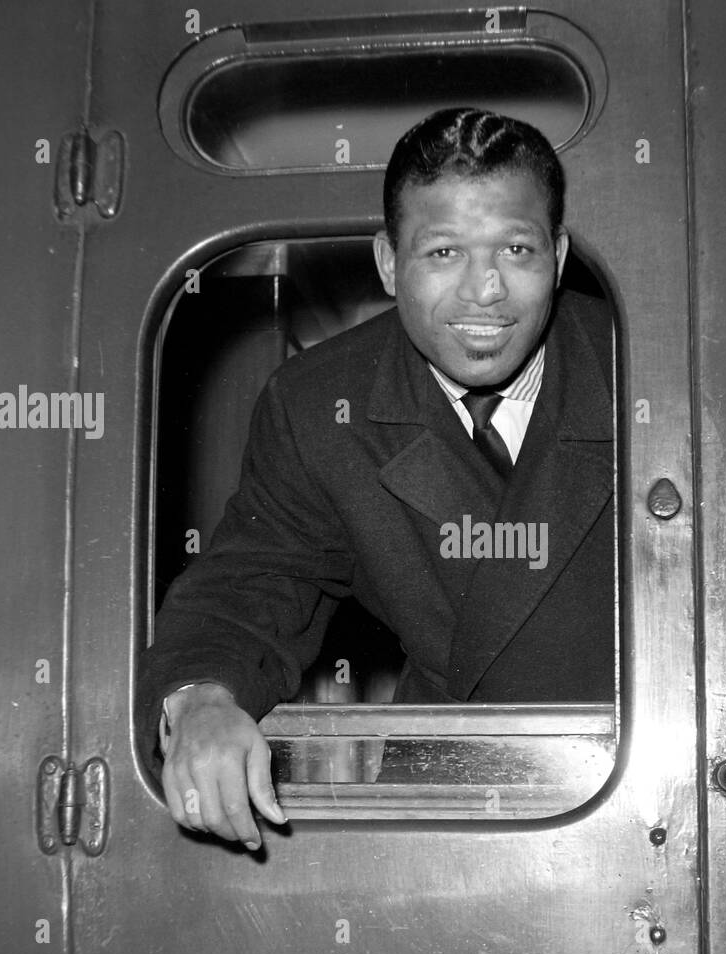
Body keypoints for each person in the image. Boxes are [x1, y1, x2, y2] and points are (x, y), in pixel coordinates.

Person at [136, 107, 615, 849]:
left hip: (639, 786)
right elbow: (253, 582)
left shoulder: (644, 366)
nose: (485, 291)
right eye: (444, 252)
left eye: (516, 249)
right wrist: (201, 702)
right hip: (444, 808)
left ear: (556, 257)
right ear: (390, 263)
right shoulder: (317, 406)